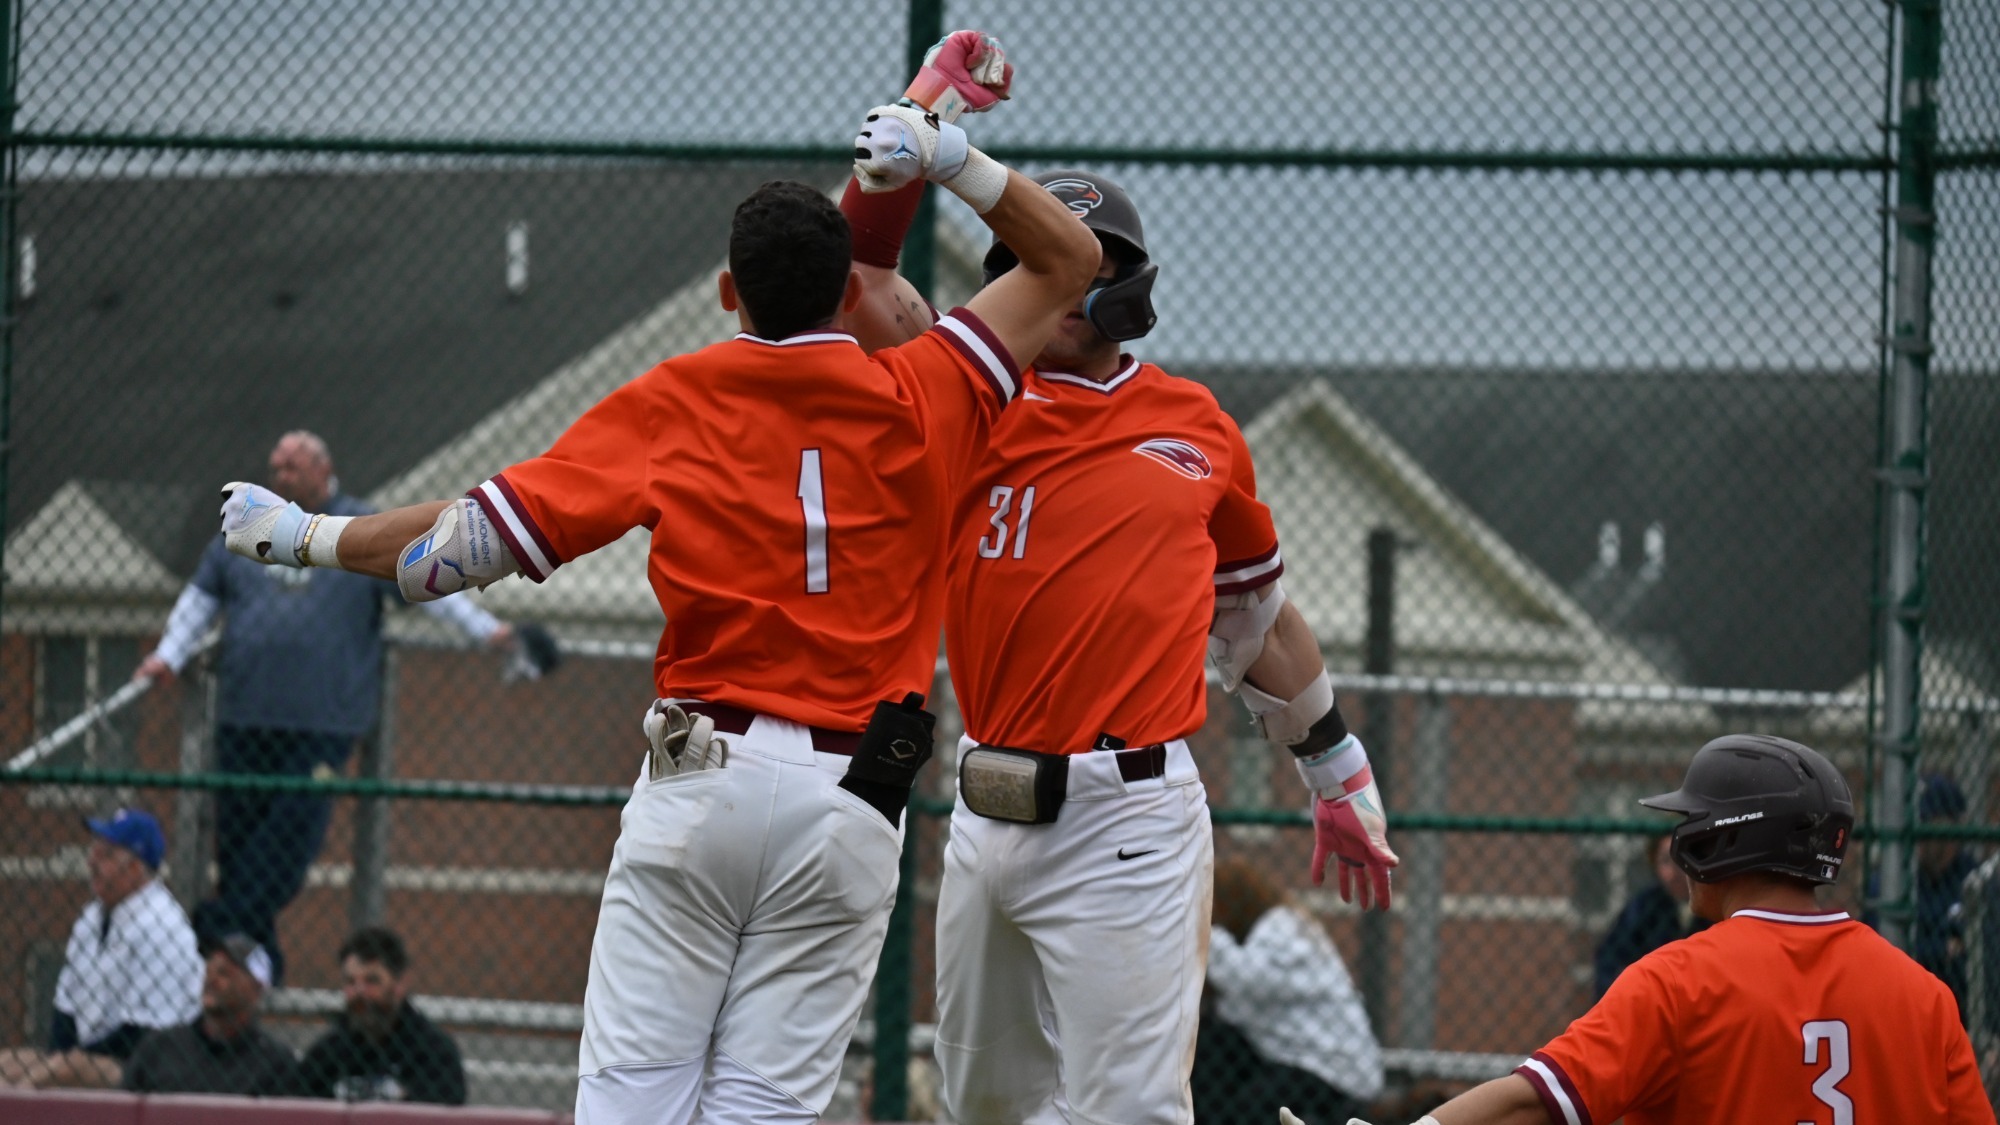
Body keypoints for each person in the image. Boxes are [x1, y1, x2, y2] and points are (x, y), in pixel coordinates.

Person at [206, 39, 1100, 1123]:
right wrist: (947, 151)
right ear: (850, 296)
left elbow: (455, 552)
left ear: (728, 292)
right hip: (857, 790)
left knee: (634, 1103)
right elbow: (1068, 261)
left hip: (704, 774)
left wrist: (306, 535)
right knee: (763, 1108)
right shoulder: (931, 388)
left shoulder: (677, 400)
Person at [844, 159, 1397, 1121]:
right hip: (986, 807)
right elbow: (859, 280)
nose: (1057, 284)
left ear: (1131, 287)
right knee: (984, 1107)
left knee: (1130, 1109)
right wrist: (928, 121)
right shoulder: (961, 392)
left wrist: (1336, 769)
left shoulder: (1195, 425)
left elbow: (1257, 619)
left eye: (1082, 266)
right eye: (1035, 263)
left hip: (1125, 815)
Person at [1299, 734, 1994, 1125]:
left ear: (1722, 842)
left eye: (1692, 823)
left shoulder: (1682, 979)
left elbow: (1535, 1103)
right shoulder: (1924, 997)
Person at [135, 430, 524, 983]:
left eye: (292, 467)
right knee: (239, 842)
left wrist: (486, 631)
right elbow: (200, 598)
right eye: (276, 468)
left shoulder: (361, 528)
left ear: (323, 469)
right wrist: (169, 656)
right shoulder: (247, 523)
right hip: (246, 716)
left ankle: (216, 930)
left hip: (323, 723)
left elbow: (425, 577)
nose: (280, 477)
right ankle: (251, 964)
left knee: (288, 840)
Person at [0, 807, 203, 1088]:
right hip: (89, 1057)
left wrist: (70, 1061)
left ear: (134, 869)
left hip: (151, 1068)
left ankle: (21, 1107)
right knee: (9, 1063)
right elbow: (65, 1012)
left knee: (56, 1072)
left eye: (106, 855)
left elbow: (144, 1036)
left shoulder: (162, 925)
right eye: (94, 851)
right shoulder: (92, 917)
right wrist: (62, 1058)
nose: (92, 862)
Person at [1193, 857, 1382, 1125]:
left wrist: (1205, 932)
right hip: (1296, 1059)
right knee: (1212, 1044)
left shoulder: (1281, 926)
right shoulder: (1264, 935)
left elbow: (1247, 982)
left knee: (1244, 1110)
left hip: (1331, 1069)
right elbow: (1239, 1007)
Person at [296, 925, 464, 1105]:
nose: (359, 992)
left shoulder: (433, 1053)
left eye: (372, 981)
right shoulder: (329, 1052)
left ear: (400, 984)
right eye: (350, 981)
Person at [122, 932, 299, 1096]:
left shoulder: (274, 1062)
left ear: (256, 989)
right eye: (209, 970)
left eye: (224, 973)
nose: (211, 980)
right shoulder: (162, 1046)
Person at [1590, 834, 1706, 998]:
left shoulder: (1713, 905)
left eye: (1682, 859)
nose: (1675, 871)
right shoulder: (1644, 907)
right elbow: (1610, 958)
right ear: (1654, 864)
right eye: (1666, 861)